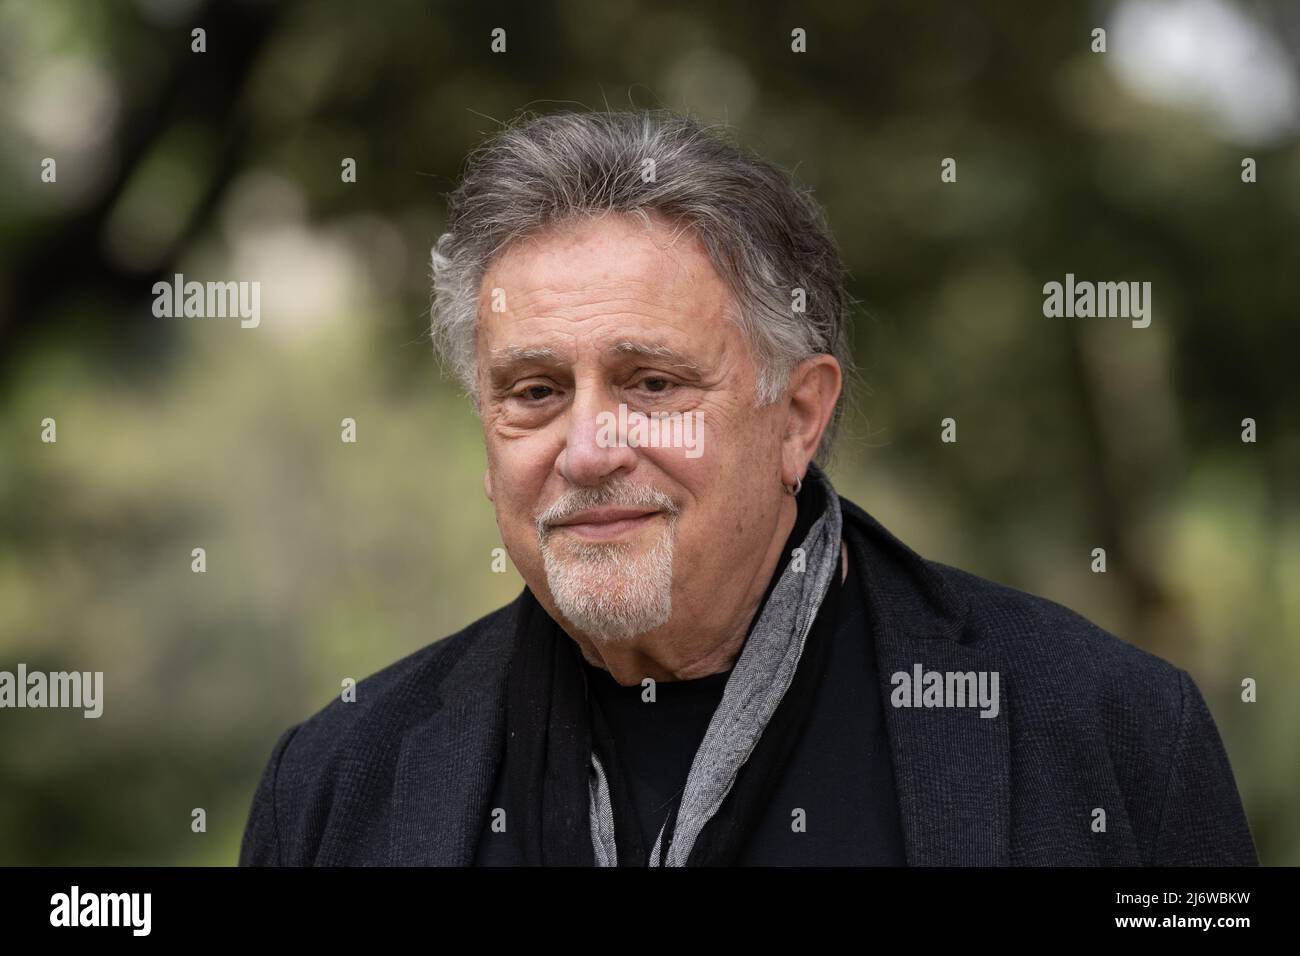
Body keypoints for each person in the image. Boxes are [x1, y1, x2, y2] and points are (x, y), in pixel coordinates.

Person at [239, 109, 1257, 866]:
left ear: (799, 416)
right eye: (536, 390)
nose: (587, 448)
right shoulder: (337, 782)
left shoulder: (1108, 732)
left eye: (651, 382)